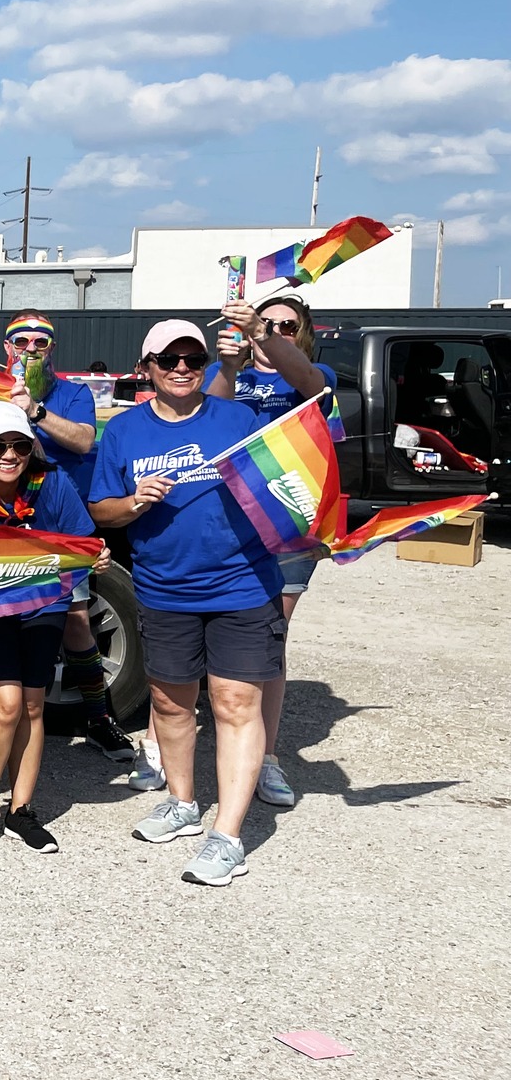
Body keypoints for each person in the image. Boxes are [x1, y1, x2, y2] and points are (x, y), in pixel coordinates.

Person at [90, 320, 282, 888]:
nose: (181, 368)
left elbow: (282, 480)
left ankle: (228, 837)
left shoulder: (238, 419)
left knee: (234, 703)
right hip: (163, 588)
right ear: (146, 367)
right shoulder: (124, 430)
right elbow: (101, 509)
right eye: (168, 359)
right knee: (171, 705)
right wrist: (134, 502)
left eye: (192, 359)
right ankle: (181, 802)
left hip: (242, 584)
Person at [0, 402, 107, 862]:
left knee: (32, 704)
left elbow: (82, 543)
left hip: (46, 604)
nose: (8, 455)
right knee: (5, 704)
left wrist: (96, 556)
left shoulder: (54, 483)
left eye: (19, 446)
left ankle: (21, 810)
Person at [205, 292, 335, 811]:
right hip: (225, 518)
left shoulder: (312, 375)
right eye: (266, 323)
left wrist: (260, 332)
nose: (274, 331)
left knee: (268, 639)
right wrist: (227, 367)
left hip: (286, 519)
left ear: (301, 334)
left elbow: (311, 384)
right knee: (188, 624)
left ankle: (266, 756)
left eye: (286, 326)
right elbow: (207, 416)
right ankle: (161, 743)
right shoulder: (229, 369)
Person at [1, 311, 131, 764]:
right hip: (0, 521)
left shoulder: (72, 393)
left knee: (77, 621)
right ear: (7, 347)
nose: (31, 349)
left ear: (52, 348)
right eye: (22, 341)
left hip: (59, 522)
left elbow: (82, 440)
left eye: (41, 342)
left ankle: (98, 719)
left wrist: (34, 411)